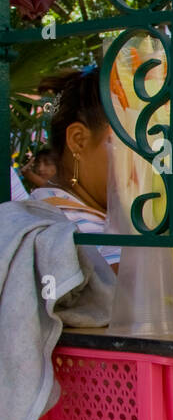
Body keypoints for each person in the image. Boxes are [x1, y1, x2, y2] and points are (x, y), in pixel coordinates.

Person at [25, 67, 120, 271]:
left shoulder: (47, 205)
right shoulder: (75, 229)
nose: (142, 160)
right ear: (78, 140)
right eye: (125, 143)